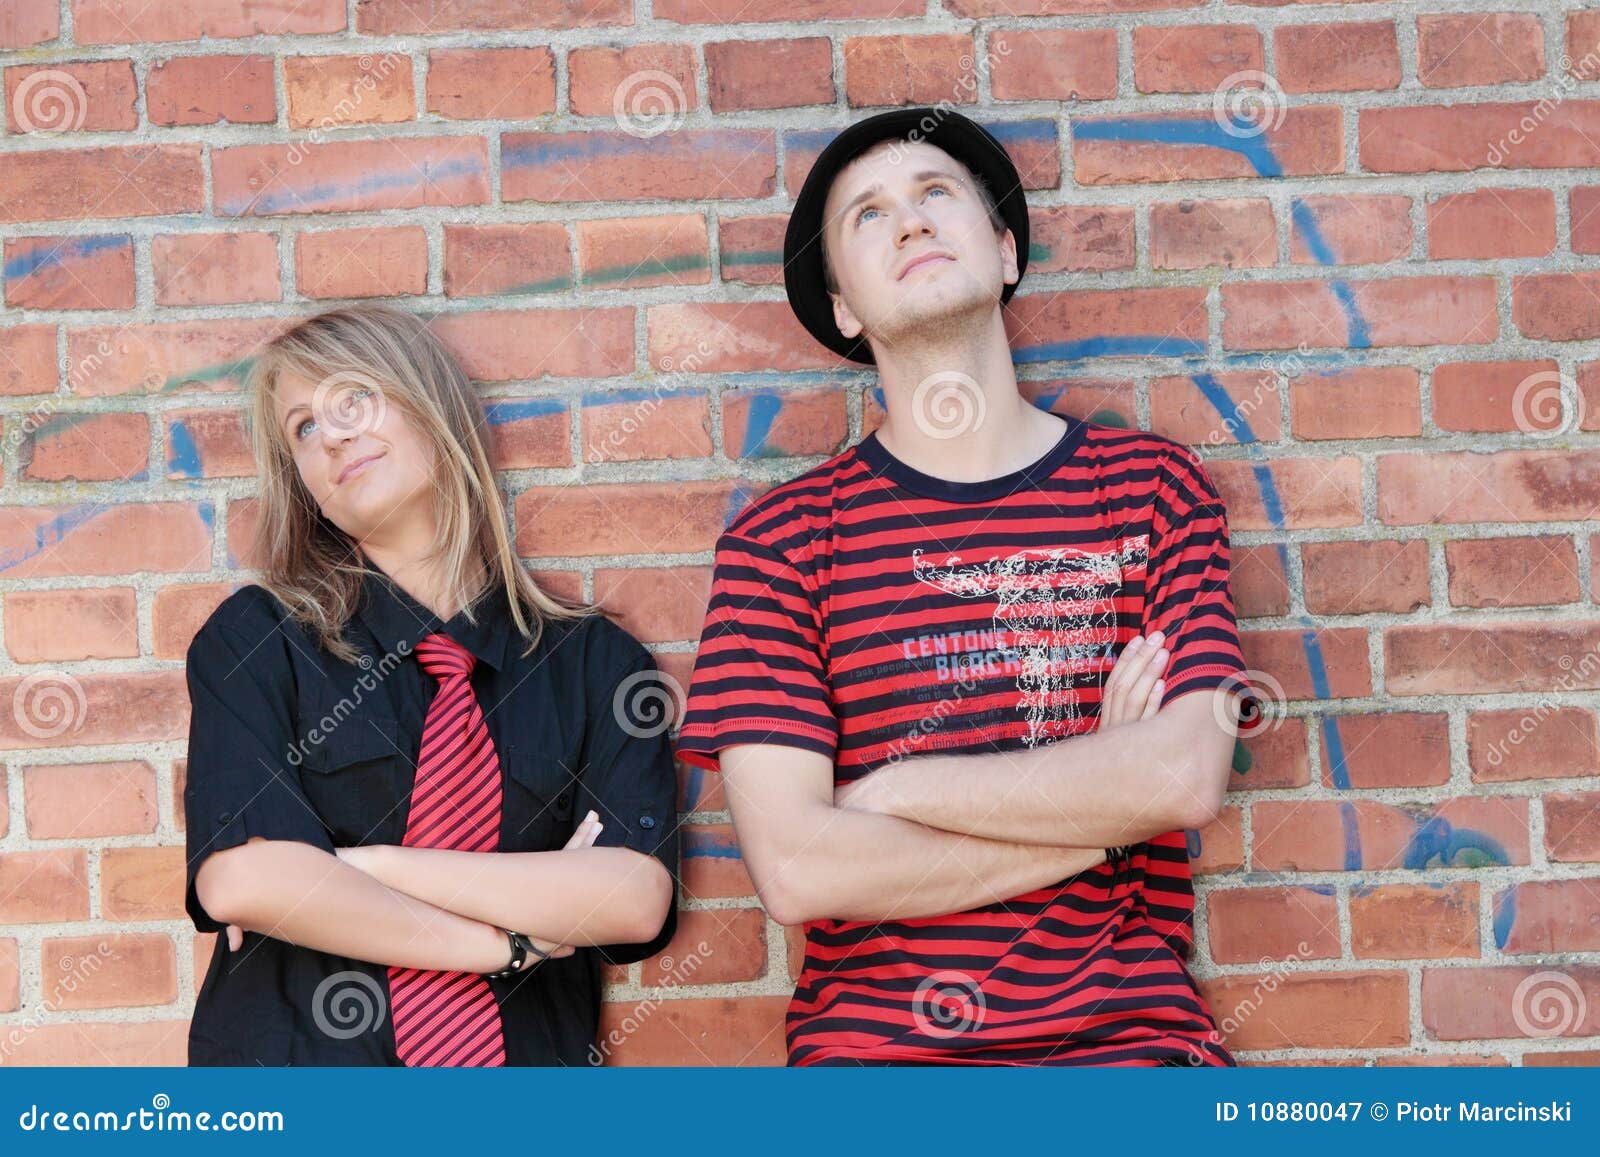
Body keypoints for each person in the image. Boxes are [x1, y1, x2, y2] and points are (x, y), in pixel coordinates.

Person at [676, 108, 1266, 1066]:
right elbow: (796, 867)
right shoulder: (781, 546)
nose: (908, 222)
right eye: (866, 215)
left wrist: (896, 790)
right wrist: (1099, 818)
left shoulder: (1151, 492)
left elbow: (1182, 775)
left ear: (1004, 252)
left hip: (1126, 1053)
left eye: (935, 193)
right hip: (880, 1070)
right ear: (846, 311)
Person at [183, 304, 678, 1066]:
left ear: (431, 405)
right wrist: (507, 944)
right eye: (303, 429)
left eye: (353, 399)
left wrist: (359, 866)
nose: (333, 436)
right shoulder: (256, 641)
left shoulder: (596, 666)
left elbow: (632, 899)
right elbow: (242, 880)